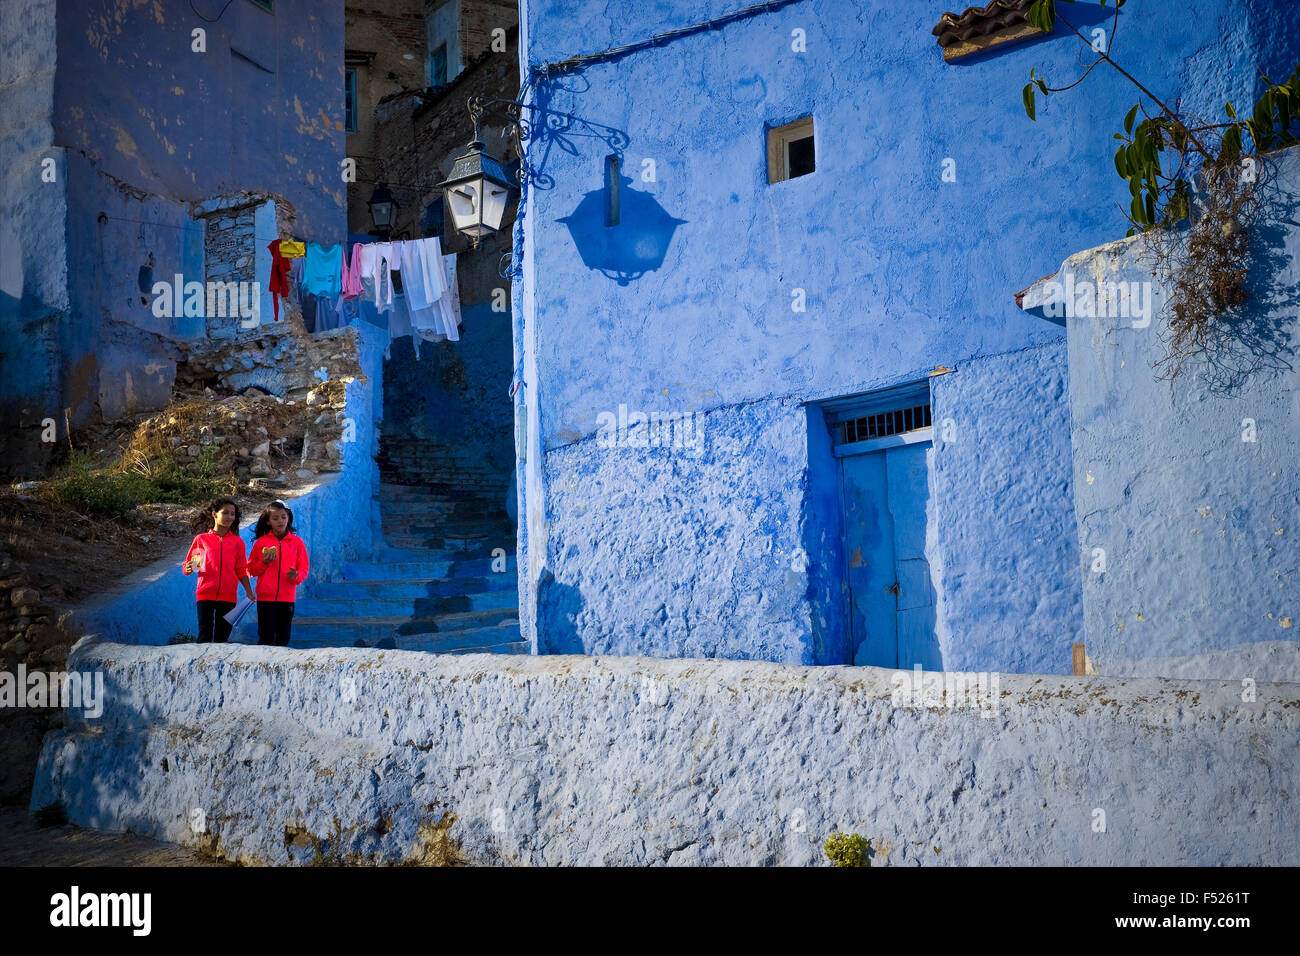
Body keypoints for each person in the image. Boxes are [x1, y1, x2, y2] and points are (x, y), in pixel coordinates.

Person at [182, 498, 255, 643]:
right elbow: (189, 566)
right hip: (205, 595)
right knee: (204, 635)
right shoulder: (201, 539)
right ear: (214, 514)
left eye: (233, 514)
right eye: (225, 513)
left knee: (222, 638)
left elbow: (241, 569)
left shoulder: (237, 543)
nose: (230, 517)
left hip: (228, 596)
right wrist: (188, 568)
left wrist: (249, 591)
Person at [246, 501, 310, 647]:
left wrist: (297, 577)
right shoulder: (261, 543)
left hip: (286, 599)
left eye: (283, 517)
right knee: (265, 638)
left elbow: (304, 568)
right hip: (265, 599)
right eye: (275, 518)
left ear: (288, 518)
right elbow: (250, 570)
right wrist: (264, 563)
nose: (280, 521)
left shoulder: (297, 543)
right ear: (268, 522)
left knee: (283, 638)